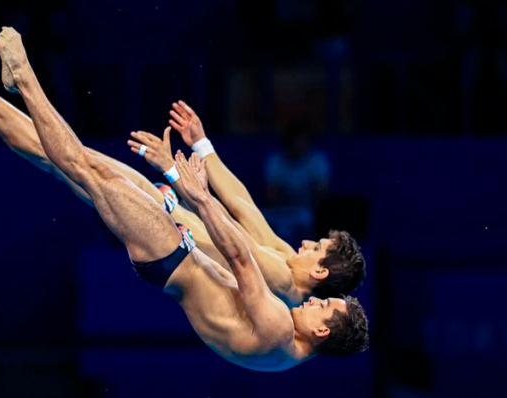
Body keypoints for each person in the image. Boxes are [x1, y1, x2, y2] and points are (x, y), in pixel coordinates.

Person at [0, 27, 369, 369]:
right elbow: (246, 214)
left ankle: (24, 77)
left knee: (80, 164)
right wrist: (202, 156)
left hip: (171, 252)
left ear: (324, 328)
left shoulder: (278, 326)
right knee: (62, 161)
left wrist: (184, 185)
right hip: (176, 236)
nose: (313, 302)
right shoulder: (285, 306)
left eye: (323, 305)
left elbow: (237, 253)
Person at [129, 101, 365, 302]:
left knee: (113, 178)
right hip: (193, 236)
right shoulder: (288, 260)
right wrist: (201, 144)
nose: (305, 242)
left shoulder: (283, 284)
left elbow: (229, 233)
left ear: (320, 271)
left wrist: (171, 169)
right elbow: (245, 207)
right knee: (114, 178)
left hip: (182, 257)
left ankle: (168, 203)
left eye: (315, 248)